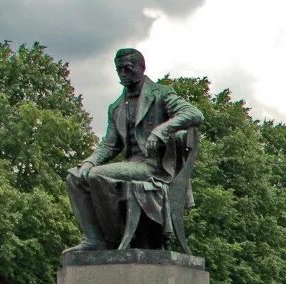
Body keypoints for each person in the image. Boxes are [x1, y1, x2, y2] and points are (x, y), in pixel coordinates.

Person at [65, 48, 204, 252]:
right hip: (131, 166)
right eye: (119, 69)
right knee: (75, 176)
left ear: (141, 67)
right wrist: (90, 161)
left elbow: (194, 114)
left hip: (153, 167)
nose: (123, 73)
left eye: (128, 68)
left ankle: (112, 242)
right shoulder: (116, 107)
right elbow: (109, 144)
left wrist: (162, 130)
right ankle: (93, 239)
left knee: (98, 176)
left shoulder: (161, 94)